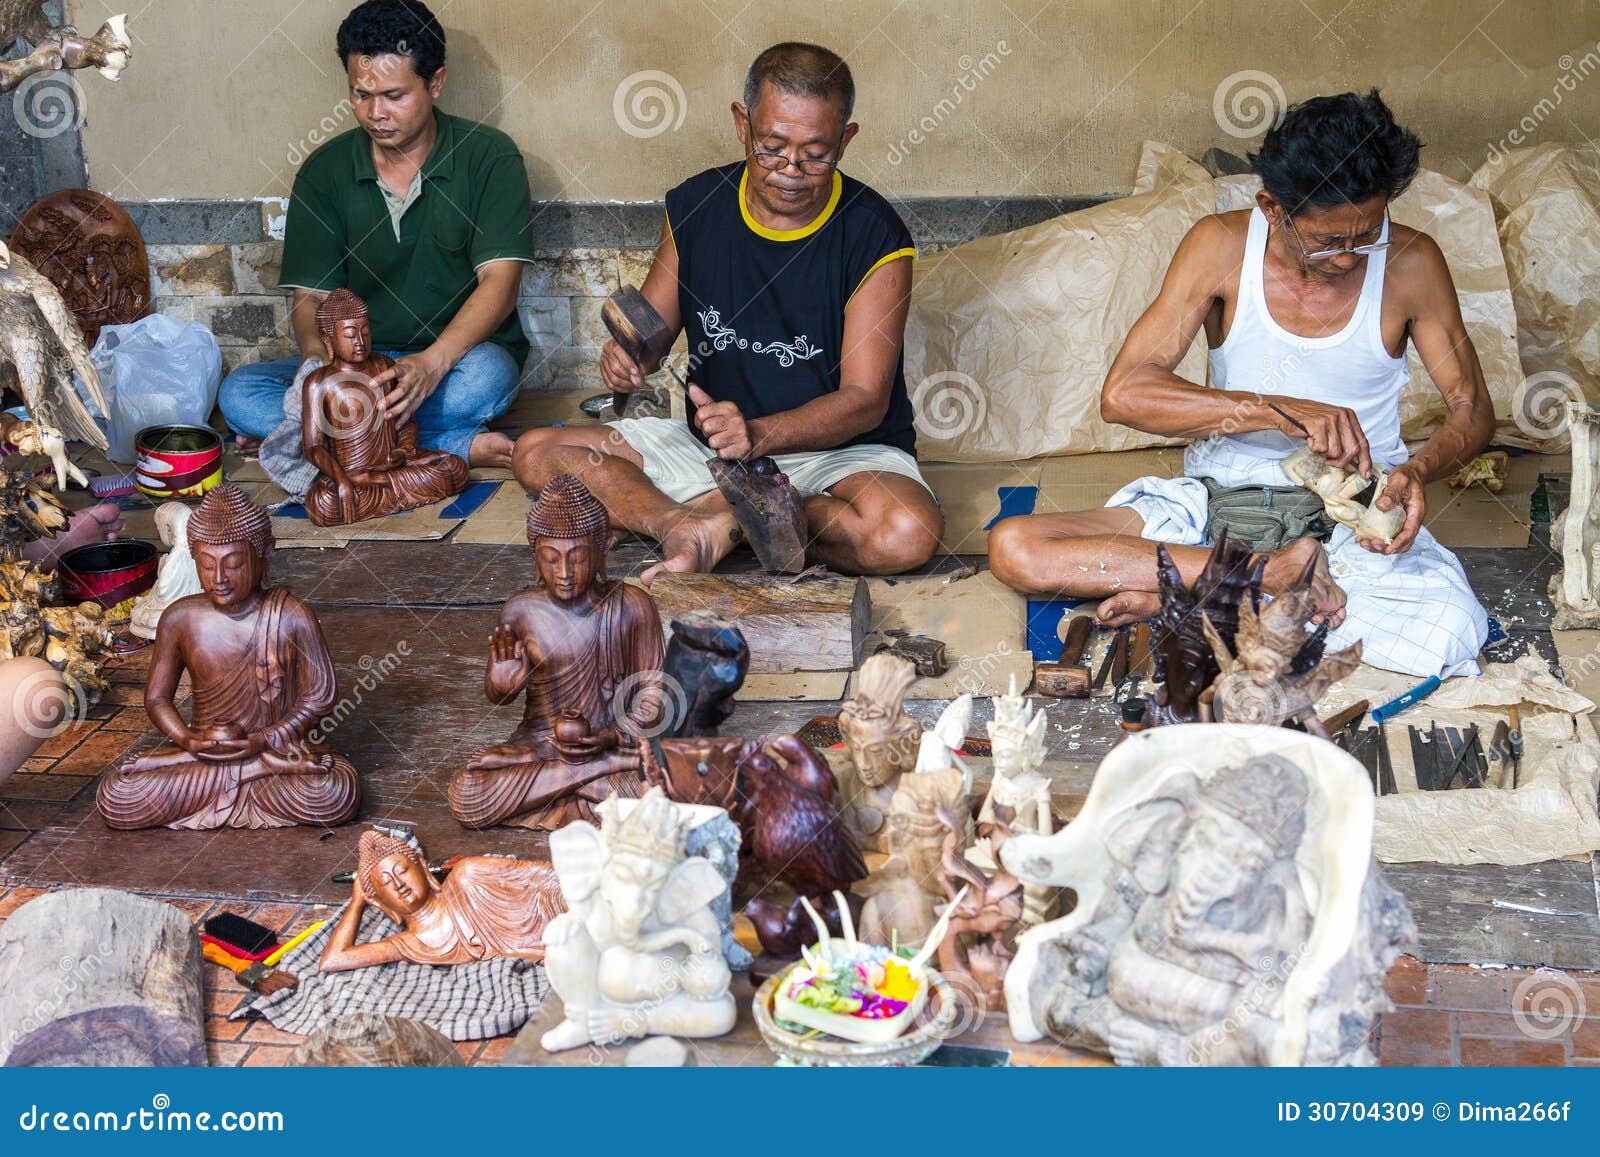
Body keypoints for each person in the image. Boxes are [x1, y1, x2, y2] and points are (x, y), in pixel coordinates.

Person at [988, 91, 1493, 678]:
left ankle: (1204, 593)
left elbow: (1472, 407)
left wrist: (1417, 472)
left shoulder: (1413, 261)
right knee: (1016, 548)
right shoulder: (1221, 246)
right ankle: (1265, 578)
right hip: (1217, 503)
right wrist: (1275, 411)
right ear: (1272, 208)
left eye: (1367, 234)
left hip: (1354, 519)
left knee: (1450, 634)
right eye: (1328, 240)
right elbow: (1125, 394)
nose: (1349, 257)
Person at [513, 42, 942, 581]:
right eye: (772, 147)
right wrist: (626, 360)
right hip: (712, 455)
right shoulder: (697, 207)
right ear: (743, 124)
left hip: (839, 459)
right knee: (538, 453)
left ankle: (729, 522)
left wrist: (759, 435)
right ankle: (683, 523)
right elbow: (651, 333)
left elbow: (864, 401)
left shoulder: (874, 235)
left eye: (816, 153)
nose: (791, 169)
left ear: (846, 139)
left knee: (905, 533)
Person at [218, 0, 532, 471]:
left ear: (436, 83)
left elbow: (501, 285)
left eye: (394, 95)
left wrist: (428, 365)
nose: (375, 113)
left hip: (453, 363)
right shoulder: (324, 171)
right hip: (357, 371)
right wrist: (318, 368)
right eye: (361, 94)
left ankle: (322, 441)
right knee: (238, 394)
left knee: (489, 377)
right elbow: (311, 298)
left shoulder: (490, 158)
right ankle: (452, 445)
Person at [95, 485, 361, 829]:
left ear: (264, 556)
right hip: (206, 756)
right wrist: (188, 739)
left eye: (233, 565)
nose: (218, 579)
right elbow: (158, 699)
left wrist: (261, 740)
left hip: (273, 751)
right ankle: (252, 771)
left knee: (334, 790)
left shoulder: (291, 615)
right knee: (120, 794)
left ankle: (258, 766)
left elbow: (319, 700)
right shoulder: (179, 618)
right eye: (206, 566)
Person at [447, 474, 666, 832]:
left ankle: (573, 781)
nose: (563, 573)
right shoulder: (520, 610)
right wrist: (502, 687)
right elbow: (499, 695)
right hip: (542, 748)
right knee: (467, 794)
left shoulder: (631, 605)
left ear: (600, 550)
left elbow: (653, 698)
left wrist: (611, 735)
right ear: (536, 555)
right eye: (550, 559)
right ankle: (586, 779)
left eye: (577, 558)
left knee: (659, 789)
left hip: (612, 749)